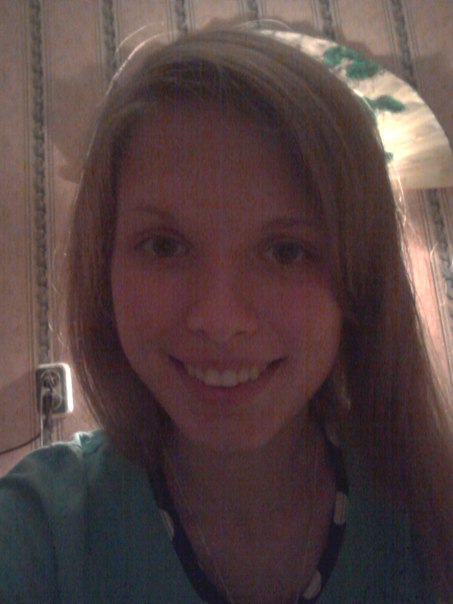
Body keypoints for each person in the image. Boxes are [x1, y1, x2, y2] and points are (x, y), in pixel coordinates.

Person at [1, 24, 452, 604]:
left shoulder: (427, 519)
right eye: (165, 246)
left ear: (360, 280)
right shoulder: (40, 531)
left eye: (285, 252)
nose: (219, 320)